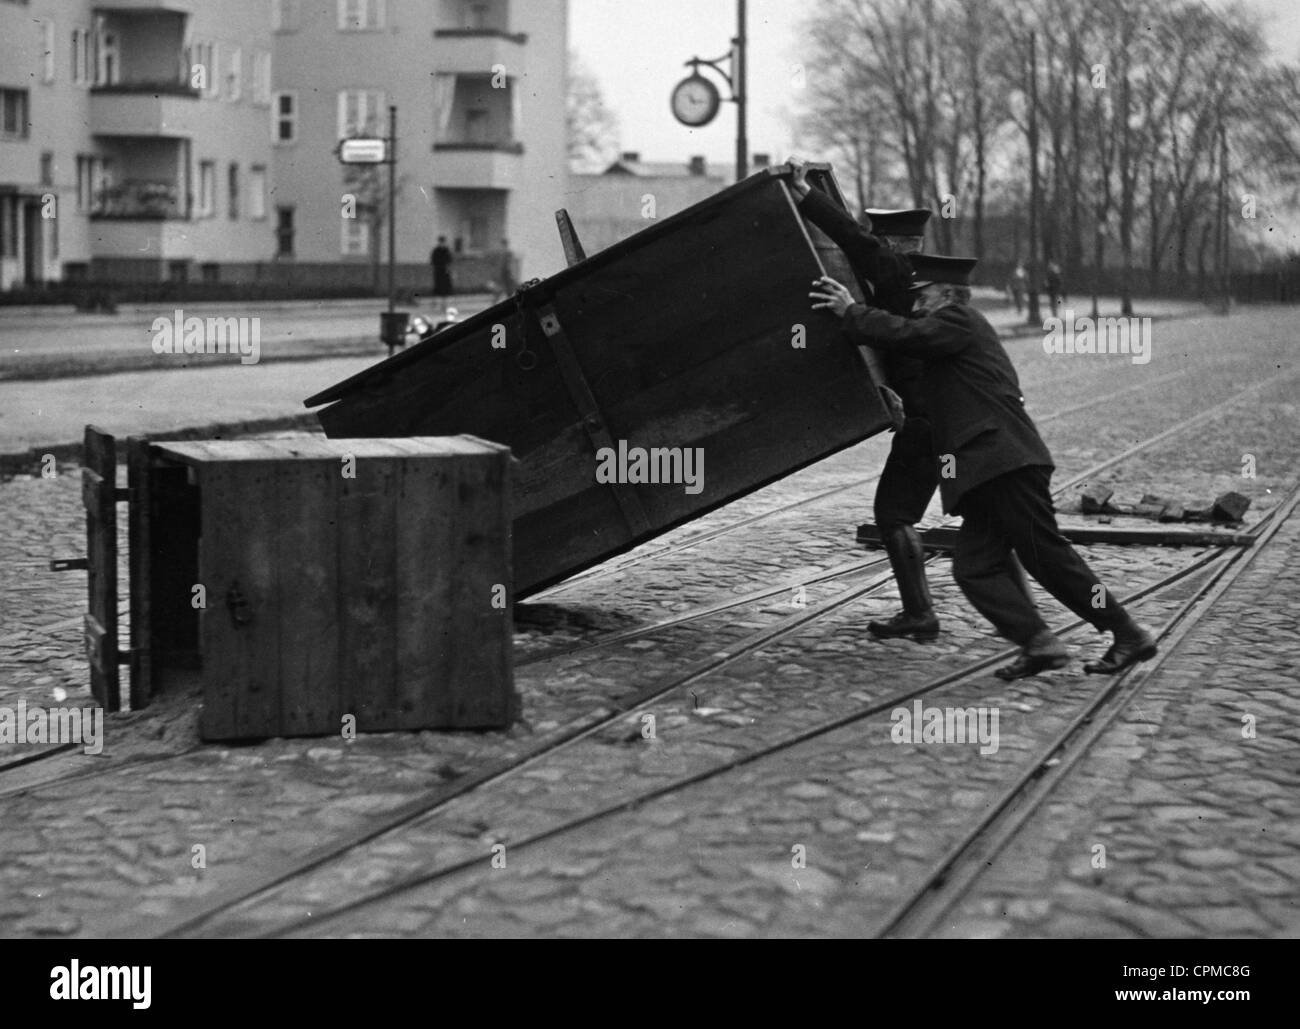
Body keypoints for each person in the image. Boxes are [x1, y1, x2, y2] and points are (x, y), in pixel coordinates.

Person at [808, 254, 1158, 680]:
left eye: (924, 297)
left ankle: (1126, 631)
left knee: (1048, 557)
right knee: (975, 568)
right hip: (987, 470)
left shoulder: (960, 320)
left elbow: (905, 333)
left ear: (950, 295)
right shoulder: (951, 334)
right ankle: (1040, 642)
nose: (917, 306)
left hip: (1004, 463)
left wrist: (850, 311)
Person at [788, 157, 941, 642]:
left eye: (885, 241)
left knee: (893, 514)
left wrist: (806, 195)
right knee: (901, 513)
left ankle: (920, 614)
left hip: (923, 422)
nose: (878, 249)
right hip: (934, 418)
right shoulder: (924, 285)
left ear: (897, 244)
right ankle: (920, 612)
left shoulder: (896, 271)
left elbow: (856, 240)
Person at [430, 236, 453, 313]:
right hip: (438, 272)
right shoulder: (436, 251)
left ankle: (444, 305)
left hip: (445, 272)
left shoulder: (447, 250)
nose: (442, 243)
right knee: (437, 287)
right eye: (441, 242)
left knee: (446, 289)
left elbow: (450, 261)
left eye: (443, 242)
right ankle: (435, 303)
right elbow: (433, 261)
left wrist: (448, 269)